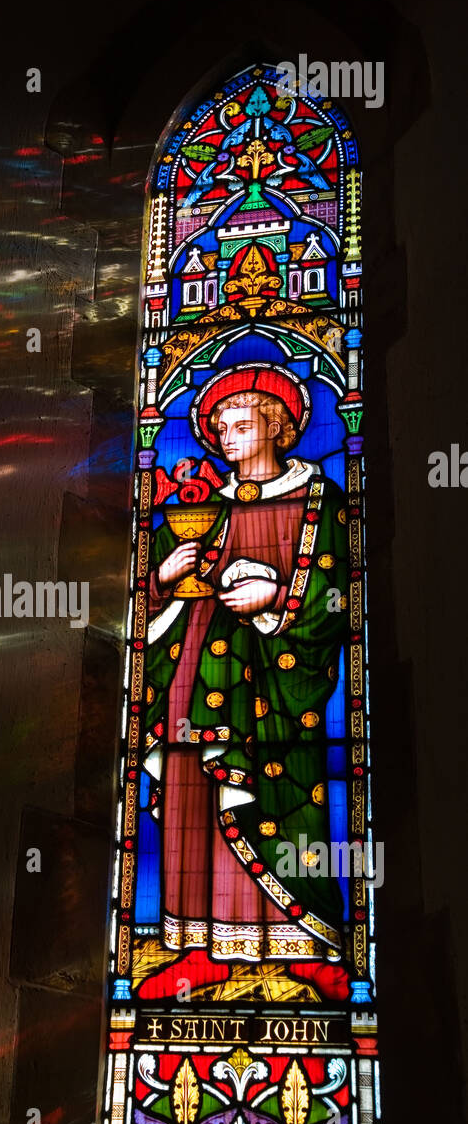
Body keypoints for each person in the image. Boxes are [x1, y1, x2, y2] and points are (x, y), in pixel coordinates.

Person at [144, 368, 347, 962]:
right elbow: (155, 591)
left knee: (275, 794)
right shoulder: (202, 507)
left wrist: (275, 602)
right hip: (195, 680)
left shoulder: (321, 499)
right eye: (220, 428)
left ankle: (295, 941)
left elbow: (336, 594)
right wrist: (162, 578)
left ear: (278, 426)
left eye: (242, 424)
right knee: (192, 789)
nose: (227, 438)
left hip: (275, 685)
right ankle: (201, 943)